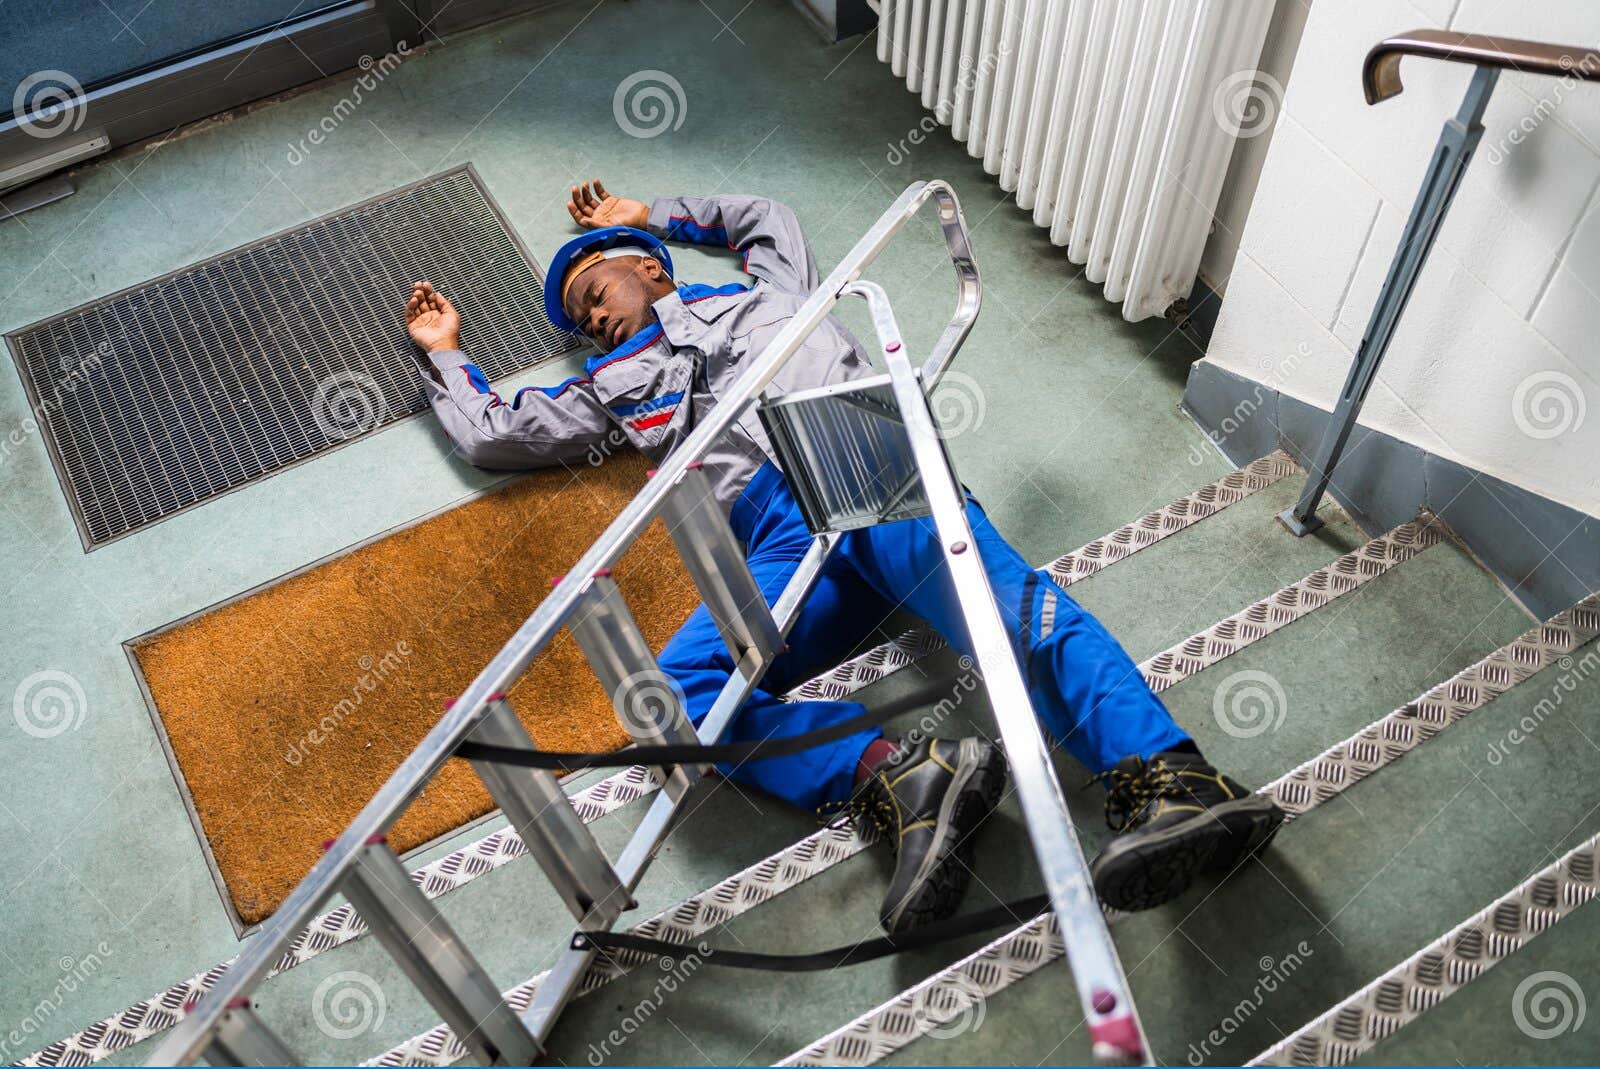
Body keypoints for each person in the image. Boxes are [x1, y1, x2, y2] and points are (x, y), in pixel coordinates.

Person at [405, 179, 1283, 931]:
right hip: (779, 540)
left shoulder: (766, 292)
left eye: (593, 287)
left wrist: (656, 210)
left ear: (647, 265)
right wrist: (448, 353)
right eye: (578, 319)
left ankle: (1174, 777)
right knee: (671, 696)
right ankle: (904, 778)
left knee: (1004, 614)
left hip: (860, 463)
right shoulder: (605, 387)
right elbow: (495, 434)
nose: (588, 316)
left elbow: (765, 218)